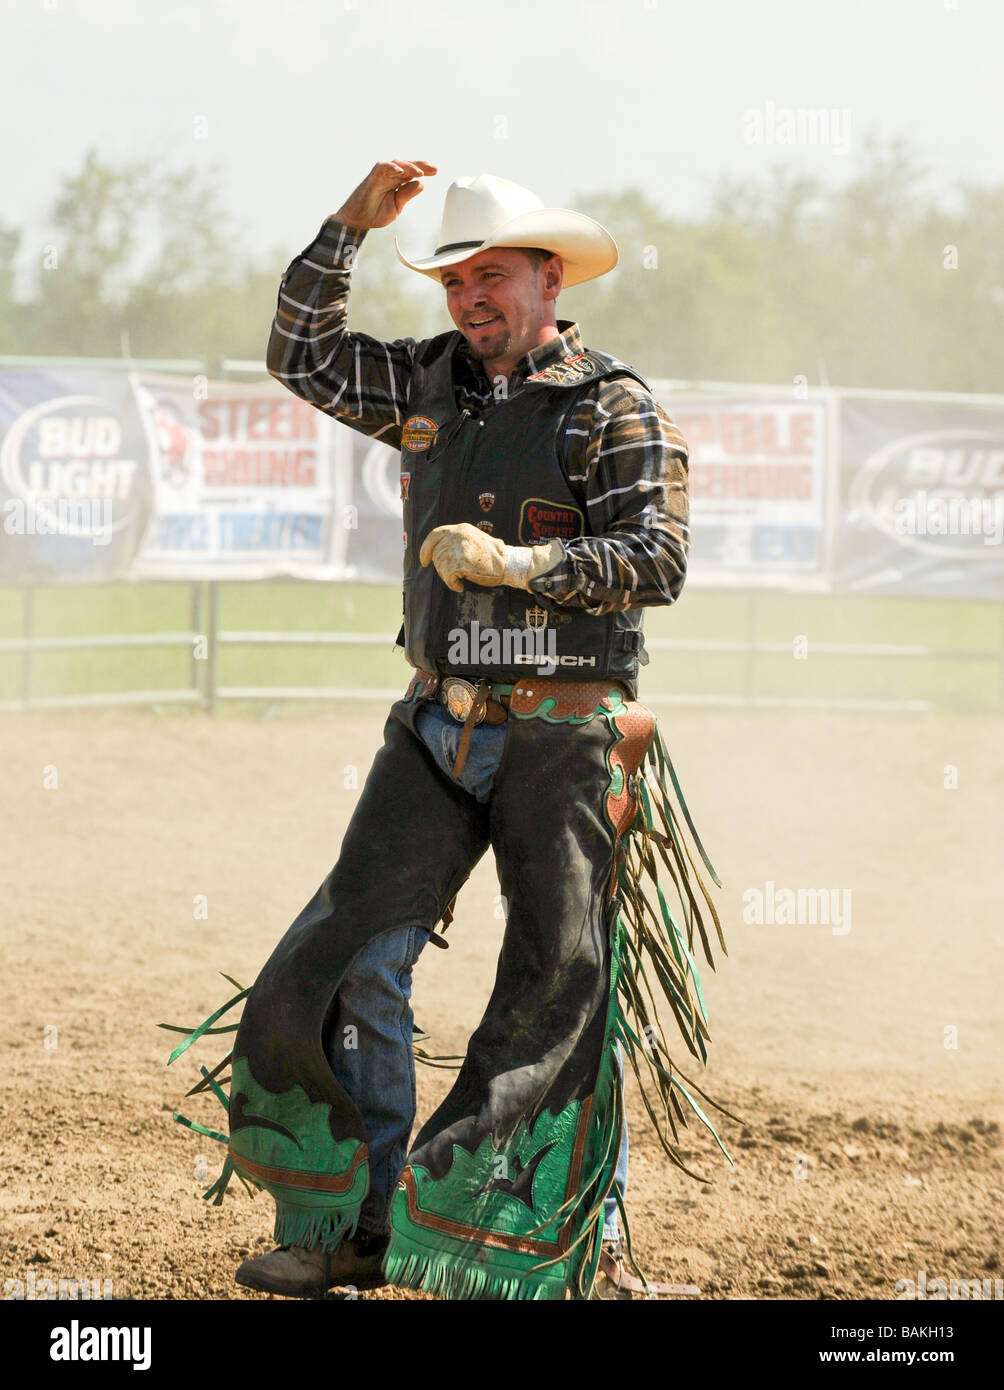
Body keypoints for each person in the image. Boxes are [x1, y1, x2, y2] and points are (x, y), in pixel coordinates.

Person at [194, 161, 722, 1302]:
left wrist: (526, 565)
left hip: (564, 733)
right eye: (451, 276)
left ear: (547, 277)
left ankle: (576, 1244)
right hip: (436, 720)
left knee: (561, 985)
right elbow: (301, 354)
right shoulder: (427, 381)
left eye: (490, 273)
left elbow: (659, 557)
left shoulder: (611, 404)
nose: (467, 295)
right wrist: (345, 227)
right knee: (345, 959)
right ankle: (356, 1225)